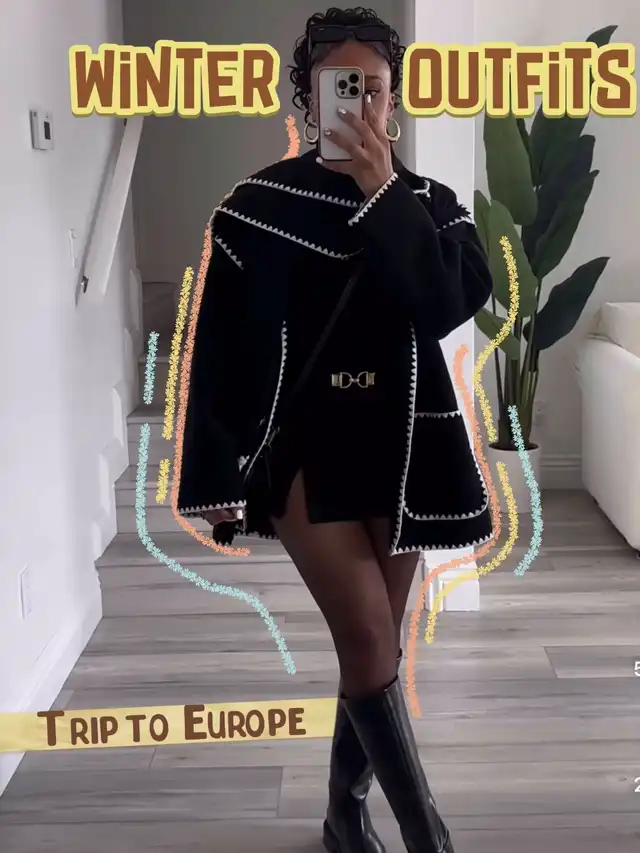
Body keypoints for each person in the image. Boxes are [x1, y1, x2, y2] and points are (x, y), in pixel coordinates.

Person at [178, 7, 493, 852]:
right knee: (365, 634)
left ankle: (342, 813)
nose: (362, 103)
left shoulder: (431, 206)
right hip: (303, 452)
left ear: (394, 98)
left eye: (376, 88)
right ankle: (427, 836)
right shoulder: (255, 208)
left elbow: (443, 305)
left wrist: (383, 193)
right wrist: (212, 471)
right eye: (341, 87)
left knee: (376, 650)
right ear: (310, 97)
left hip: (406, 447)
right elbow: (218, 348)